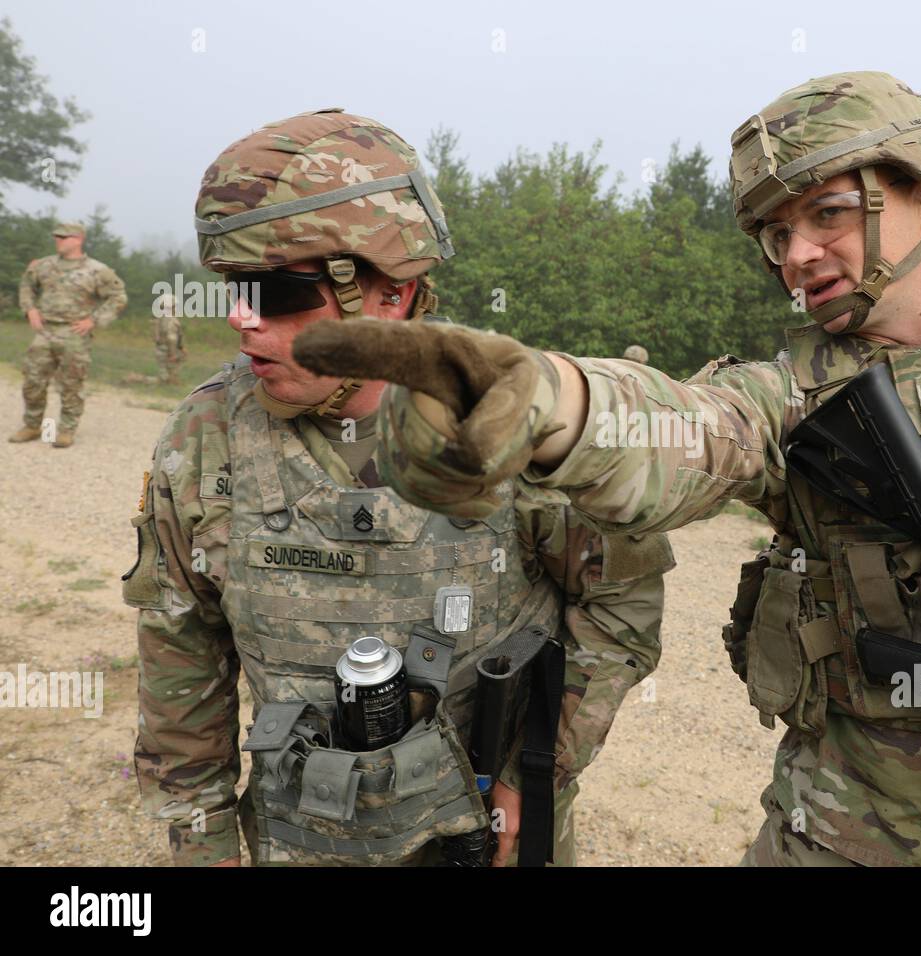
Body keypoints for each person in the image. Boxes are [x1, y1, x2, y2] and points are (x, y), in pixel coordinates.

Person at [293, 73, 921, 867]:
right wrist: (548, 402)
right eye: (774, 234)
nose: (796, 254)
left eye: (826, 214)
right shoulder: (789, 397)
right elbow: (680, 433)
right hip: (839, 838)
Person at [123, 109, 672, 866]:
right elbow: (179, 652)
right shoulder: (205, 436)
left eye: (275, 290)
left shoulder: (513, 419)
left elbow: (620, 605)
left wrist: (530, 777)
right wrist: (204, 839)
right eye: (229, 288)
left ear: (390, 294)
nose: (241, 319)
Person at [10, 222, 127, 447]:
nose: (59, 240)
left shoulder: (97, 270)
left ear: (78, 239)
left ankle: (66, 430)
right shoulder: (43, 265)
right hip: (45, 331)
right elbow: (26, 284)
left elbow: (118, 297)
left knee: (71, 383)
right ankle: (33, 425)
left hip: (74, 334)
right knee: (33, 381)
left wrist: (93, 320)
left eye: (64, 237)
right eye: (57, 236)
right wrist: (30, 309)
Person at [153, 291, 185, 385]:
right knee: (168, 376)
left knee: (164, 372)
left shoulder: (160, 318)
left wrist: (181, 347)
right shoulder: (170, 319)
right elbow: (172, 338)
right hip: (168, 349)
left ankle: (167, 381)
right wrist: (173, 354)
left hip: (161, 349)